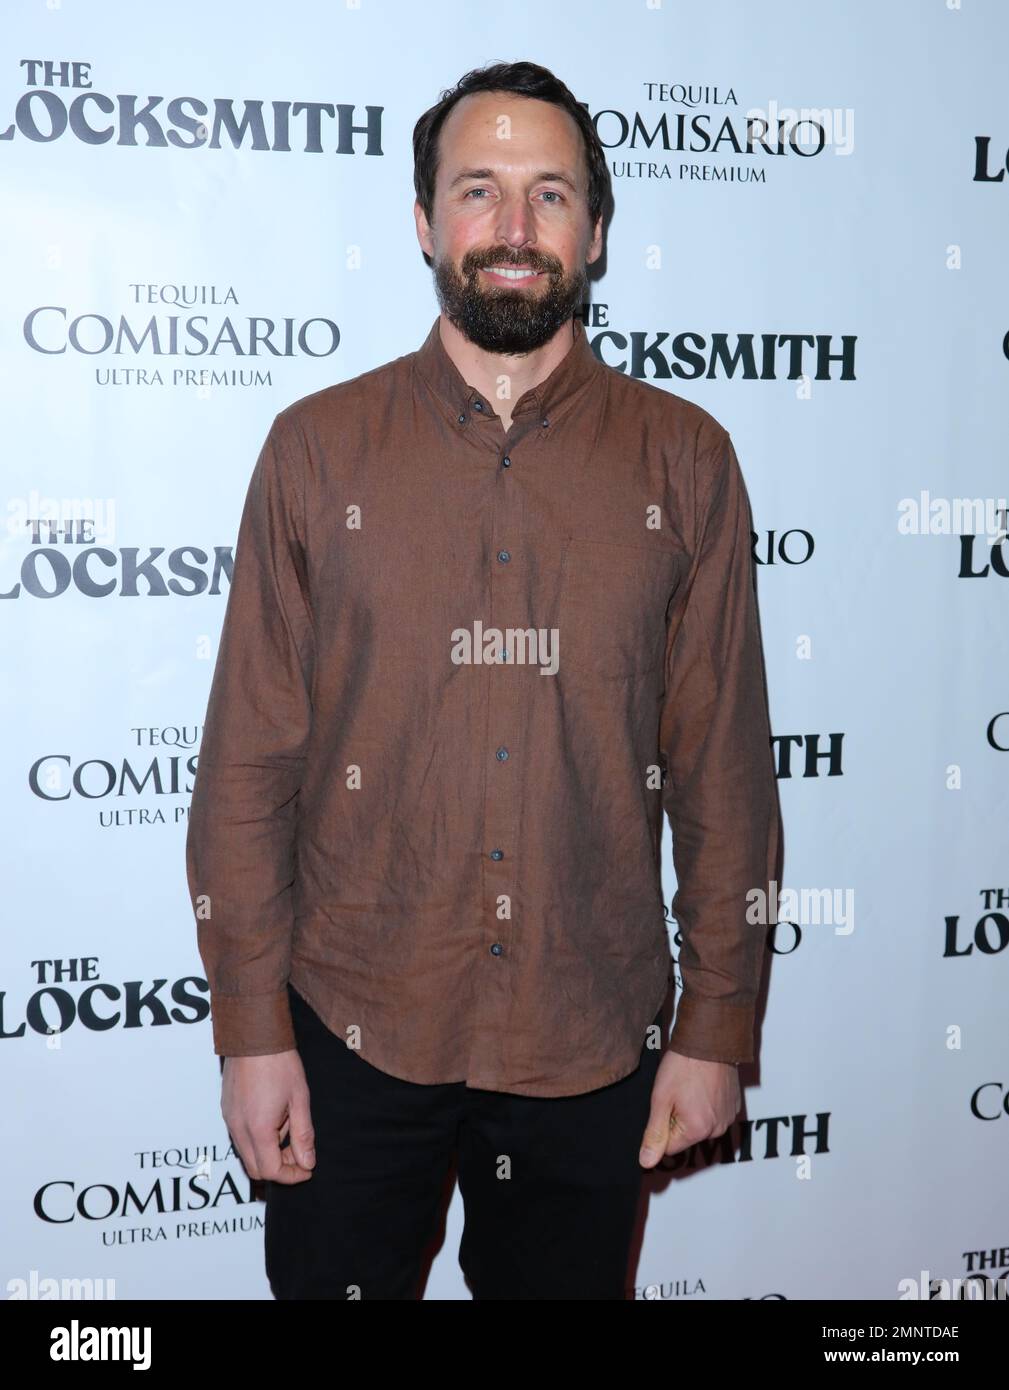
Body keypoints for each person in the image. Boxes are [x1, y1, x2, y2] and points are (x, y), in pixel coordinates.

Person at [186, 59, 781, 1301]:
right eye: (479, 192)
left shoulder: (689, 459)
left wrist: (716, 1027)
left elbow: (723, 766)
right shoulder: (314, 449)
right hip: (353, 1028)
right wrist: (251, 1033)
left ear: (597, 231)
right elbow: (248, 765)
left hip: (591, 1035)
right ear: (423, 223)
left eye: (550, 195)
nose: (513, 230)